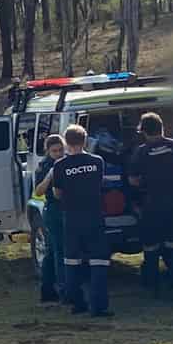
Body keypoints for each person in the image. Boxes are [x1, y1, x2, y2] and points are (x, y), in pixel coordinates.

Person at [126, 111, 173, 298]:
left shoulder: (141, 151)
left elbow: (132, 180)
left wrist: (146, 184)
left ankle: (151, 284)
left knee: (151, 246)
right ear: (162, 127)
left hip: (151, 205)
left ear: (143, 131)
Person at [51, 122, 111, 317]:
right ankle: (99, 306)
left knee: (72, 261)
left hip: (72, 218)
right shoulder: (97, 161)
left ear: (66, 143)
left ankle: (77, 304)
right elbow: (100, 184)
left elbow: (57, 193)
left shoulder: (59, 166)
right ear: (85, 140)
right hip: (94, 216)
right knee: (99, 261)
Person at [31, 132, 67, 303]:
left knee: (53, 251)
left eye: (61, 150)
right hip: (53, 210)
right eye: (55, 151)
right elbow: (38, 191)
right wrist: (50, 176)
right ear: (48, 151)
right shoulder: (45, 166)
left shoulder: (68, 161)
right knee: (58, 251)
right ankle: (60, 289)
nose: (58, 154)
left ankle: (48, 291)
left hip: (67, 209)